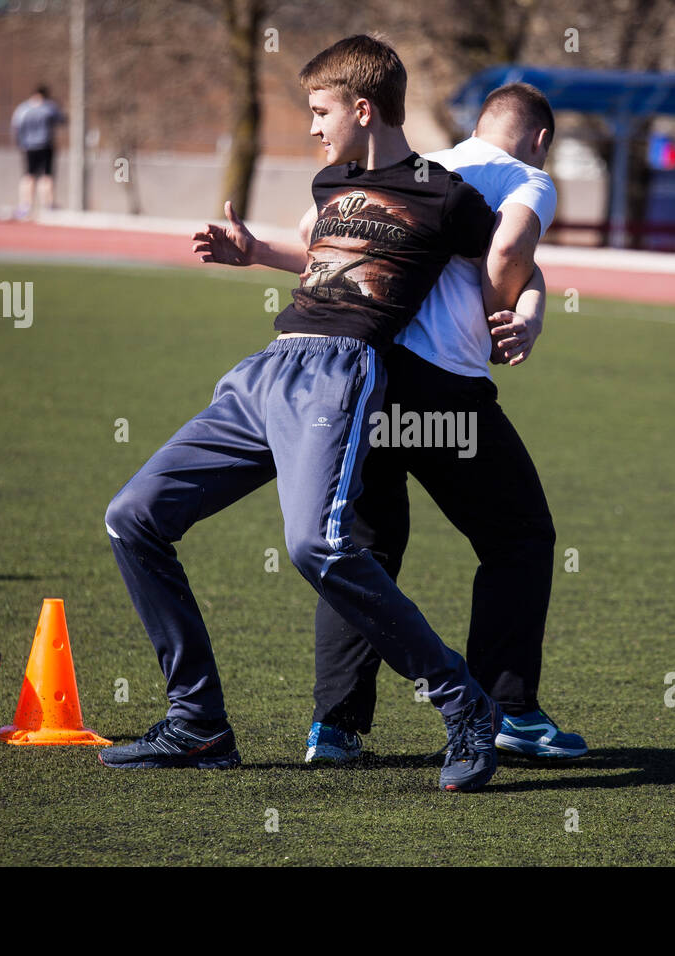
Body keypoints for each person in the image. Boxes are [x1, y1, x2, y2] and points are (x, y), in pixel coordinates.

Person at [101, 35, 508, 793]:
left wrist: (527, 315)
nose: (313, 127)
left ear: (363, 108)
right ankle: (198, 724)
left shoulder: (444, 192)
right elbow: (330, 261)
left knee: (315, 545)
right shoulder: (330, 184)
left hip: (339, 375)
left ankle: (465, 707)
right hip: (266, 368)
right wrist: (256, 251)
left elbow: (517, 259)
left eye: (320, 111)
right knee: (132, 517)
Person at [198, 83, 587, 763]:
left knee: (364, 547)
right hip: (442, 389)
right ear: (540, 140)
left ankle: (335, 728)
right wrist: (510, 319)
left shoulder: (421, 164)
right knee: (519, 536)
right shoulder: (527, 178)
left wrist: (257, 251)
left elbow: (320, 242)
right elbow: (508, 251)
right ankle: (511, 713)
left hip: (363, 376)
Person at [10, 85, 65, 217]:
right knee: (47, 176)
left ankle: (25, 205)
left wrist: (19, 142)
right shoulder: (49, 107)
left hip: (28, 146)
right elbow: (62, 120)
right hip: (45, 145)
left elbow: (16, 126)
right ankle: (48, 205)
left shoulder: (23, 109)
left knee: (29, 175)